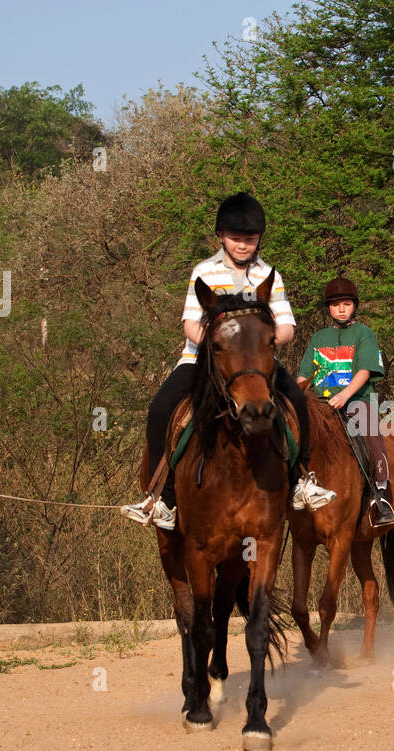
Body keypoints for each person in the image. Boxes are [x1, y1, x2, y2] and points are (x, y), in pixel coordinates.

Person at [121, 193, 336, 530]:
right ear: (221, 235)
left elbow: (287, 327)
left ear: (259, 239)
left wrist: (260, 344)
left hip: (257, 364)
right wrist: (218, 344)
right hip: (203, 361)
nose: (242, 245)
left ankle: (302, 479)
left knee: (296, 399)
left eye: (249, 239)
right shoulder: (204, 271)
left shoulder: (268, 276)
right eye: (236, 238)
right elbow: (190, 322)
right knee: (161, 407)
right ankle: (159, 497)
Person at [297, 276, 394, 527]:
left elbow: (364, 371)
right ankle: (296, 487)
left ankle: (381, 494)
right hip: (320, 403)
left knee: (370, 428)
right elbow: (304, 375)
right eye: (335, 304)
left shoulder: (364, 334)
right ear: (328, 308)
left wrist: (344, 395)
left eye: (346, 304)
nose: (341, 309)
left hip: (356, 399)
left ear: (354, 306)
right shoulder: (318, 338)